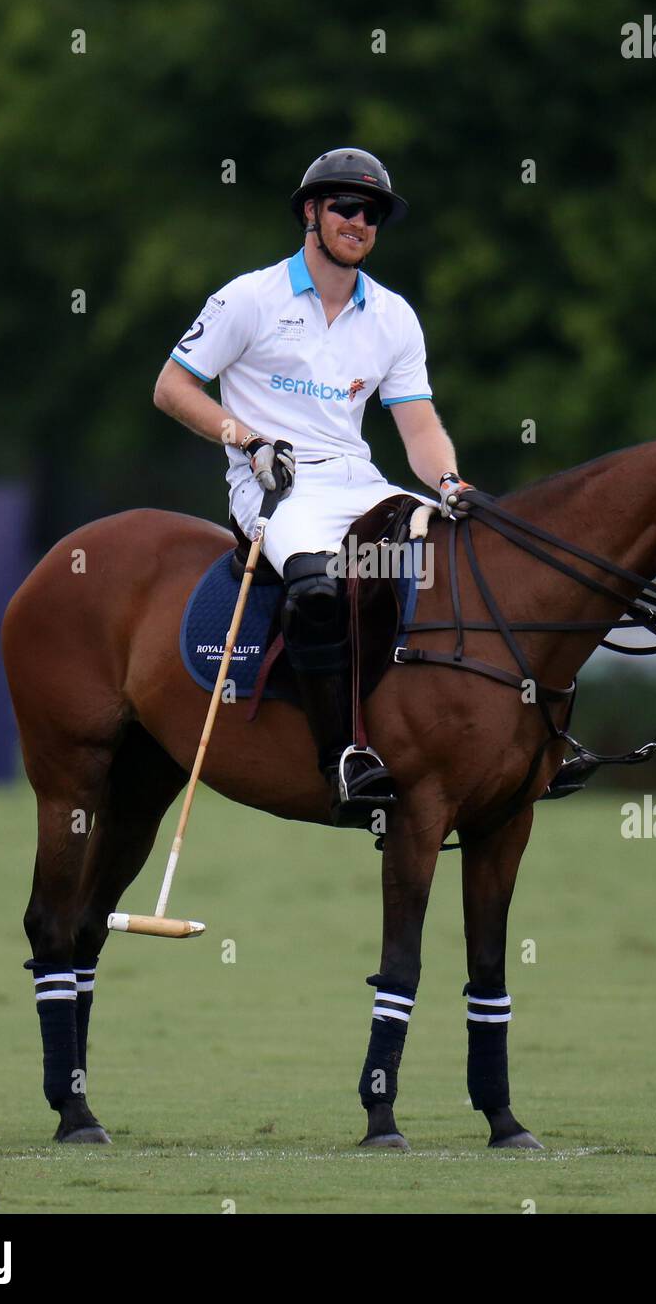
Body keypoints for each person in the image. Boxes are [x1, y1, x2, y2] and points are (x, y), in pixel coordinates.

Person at [154, 147, 472, 828]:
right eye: (347, 207)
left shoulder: (393, 316)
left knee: (459, 561)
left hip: (358, 481)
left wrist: (447, 480)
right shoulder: (250, 297)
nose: (361, 221)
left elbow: (418, 426)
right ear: (312, 212)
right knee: (320, 587)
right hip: (274, 483)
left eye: (374, 213)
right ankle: (344, 758)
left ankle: (489, 737)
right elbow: (172, 387)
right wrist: (245, 437)